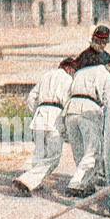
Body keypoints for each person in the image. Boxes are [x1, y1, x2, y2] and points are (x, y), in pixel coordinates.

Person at [15, 58, 76, 194]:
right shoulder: (68, 80)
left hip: (39, 115)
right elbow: (68, 103)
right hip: (55, 116)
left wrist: (36, 111)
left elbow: (31, 97)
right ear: (69, 68)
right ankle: (26, 180)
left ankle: (35, 183)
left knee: (39, 153)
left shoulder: (46, 76)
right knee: (53, 157)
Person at [63, 54, 110, 195]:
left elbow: (67, 92)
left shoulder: (80, 73)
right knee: (92, 152)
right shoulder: (106, 75)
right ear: (109, 65)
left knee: (79, 151)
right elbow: (109, 101)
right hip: (89, 110)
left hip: (71, 110)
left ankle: (86, 184)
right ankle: (76, 184)